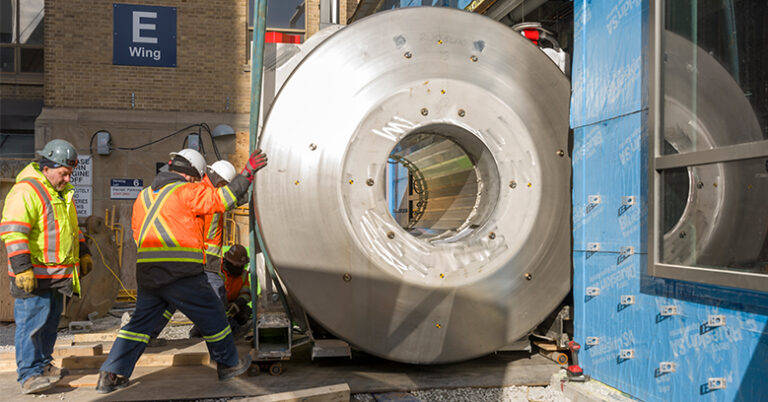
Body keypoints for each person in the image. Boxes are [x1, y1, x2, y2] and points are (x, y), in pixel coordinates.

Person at [95, 148, 267, 393]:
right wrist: (248, 172)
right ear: (191, 176)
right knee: (215, 317)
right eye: (197, 178)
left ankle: (110, 374)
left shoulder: (144, 196)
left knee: (137, 327)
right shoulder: (187, 192)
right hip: (181, 274)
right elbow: (223, 200)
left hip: (147, 274)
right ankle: (229, 365)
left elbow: (136, 234)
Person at [0, 139, 94, 394]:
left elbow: (73, 231)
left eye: (69, 174)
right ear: (47, 167)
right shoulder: (26, 191)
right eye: (64, 173)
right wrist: (22, 269)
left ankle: (42, 365)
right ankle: (29, 375)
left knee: (50, 325)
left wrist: (83, 253)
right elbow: (14, 232)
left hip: (57, 276)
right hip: (34, 275)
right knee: (32, 326)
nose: (67, 178)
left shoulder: (62, 194)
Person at [146, 160, 238, 344]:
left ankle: (150, 334)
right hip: (201, 259)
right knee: (215, 296)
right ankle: (217, 338)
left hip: (195, 258)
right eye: (224, 184)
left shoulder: (204, 191)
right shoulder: (203, 194)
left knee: (171, 299)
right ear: (220, 180)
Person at [221, 244, 253, 333]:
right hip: (218, 306)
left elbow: (246, 293)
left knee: (245, 313)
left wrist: (237, 304)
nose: (239, 268)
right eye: (237, 266)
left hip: (234, 305)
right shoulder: (218, 271)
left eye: (241, 266)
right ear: (228, 262)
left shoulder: (243, 274)